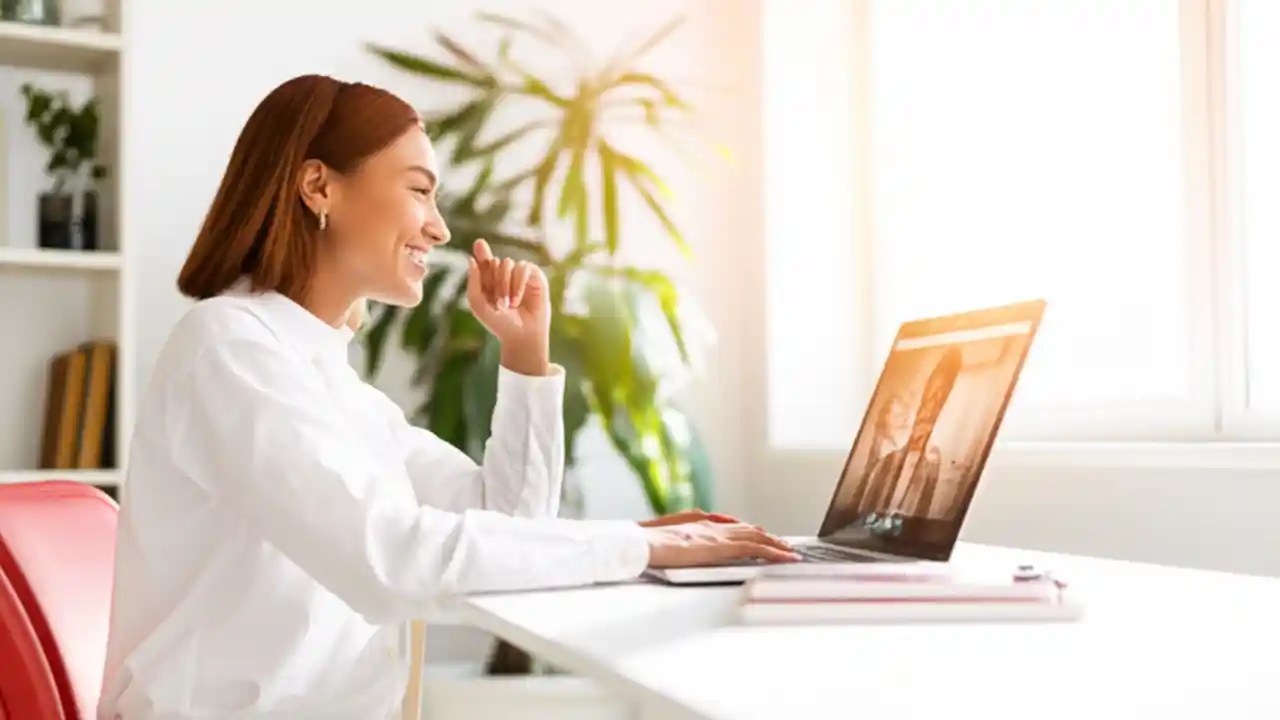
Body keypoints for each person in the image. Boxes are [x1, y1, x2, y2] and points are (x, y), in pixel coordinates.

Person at [97, 75, 797, 720]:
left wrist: (524, 358)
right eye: (419, 190)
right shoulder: (229, 347)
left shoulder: (327, 378)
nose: (439, 227)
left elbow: (508, 523)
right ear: (319, 186)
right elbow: (389, 561)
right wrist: (640, 549)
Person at [861, 347, 963, 518]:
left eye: (941, 395)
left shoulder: (937, 468)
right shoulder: (885, 464)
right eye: (930, 394)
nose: (930, 406)